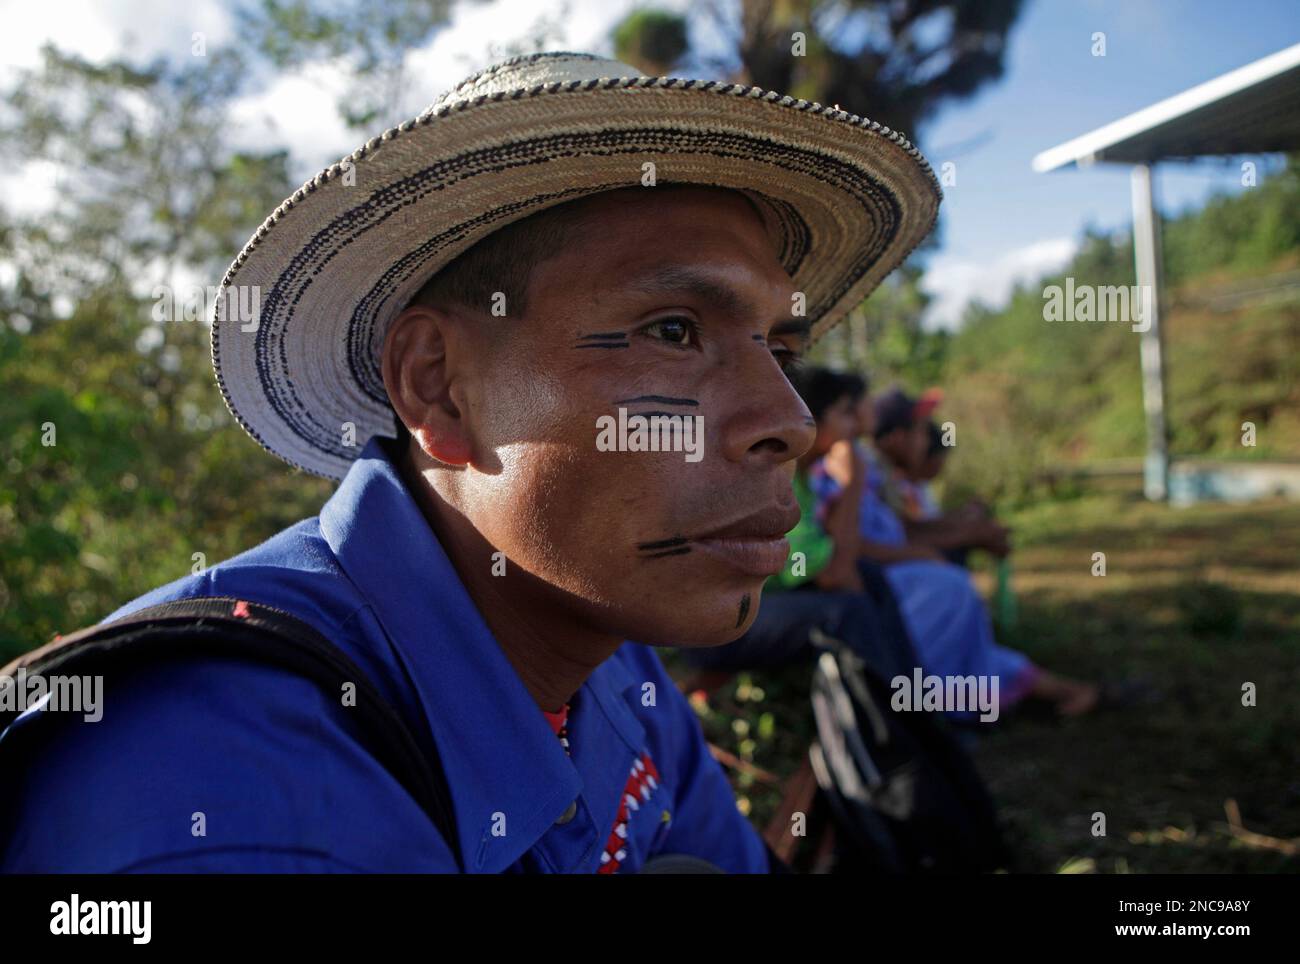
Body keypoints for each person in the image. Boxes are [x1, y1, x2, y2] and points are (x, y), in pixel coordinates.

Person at [0, 51, 942, 873]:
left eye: (779, 350)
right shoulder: (217, 784)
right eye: (673, 329)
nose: (791, 422)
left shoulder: (619, 677)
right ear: (438, 389)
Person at [817, 378, 1100, 719]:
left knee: (957, 607)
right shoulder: (839, 468)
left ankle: (993, 701)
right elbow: (853, 546)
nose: (926, 440)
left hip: (901, 580)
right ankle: (932, 711)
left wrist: (965, 531)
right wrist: (946, 545)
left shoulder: (865, 466)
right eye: (847, 410)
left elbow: (903, 530)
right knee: (949, 593)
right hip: (885, 586)